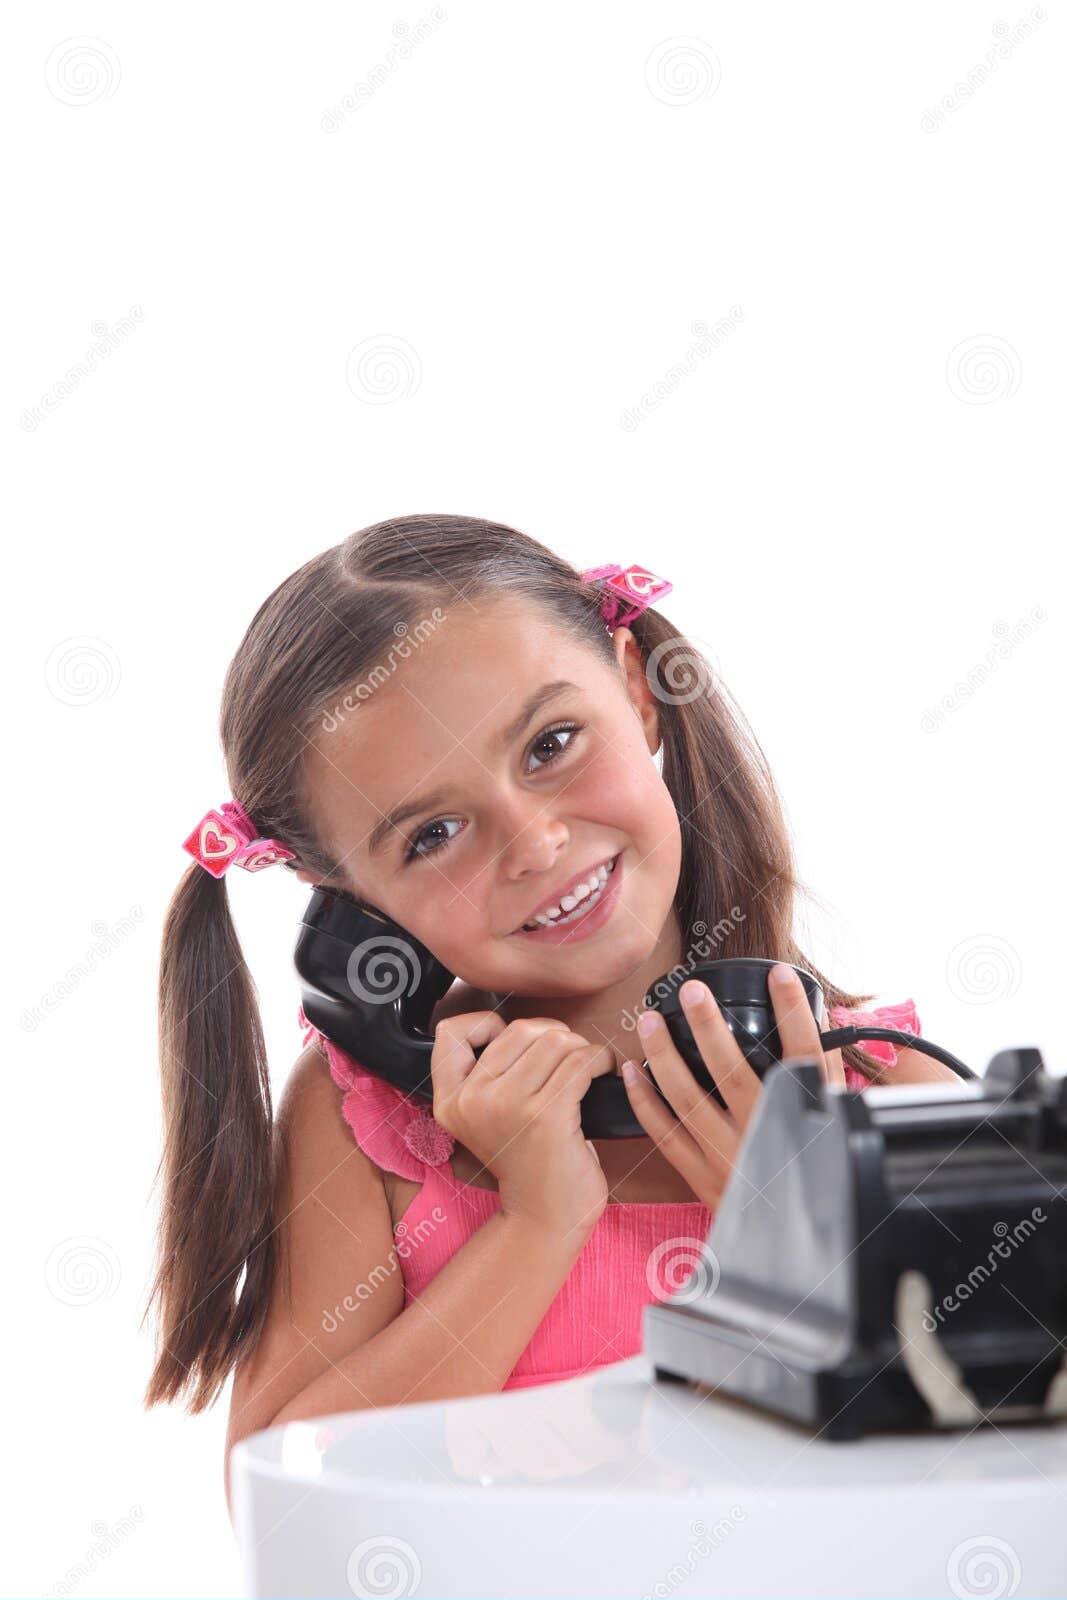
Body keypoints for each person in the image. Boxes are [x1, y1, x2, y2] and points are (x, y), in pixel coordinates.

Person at [141, 514, 959, 1496]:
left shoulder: (884, 1093)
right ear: (347, 899)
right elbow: (284, 1502)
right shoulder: (370, 1132)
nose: (532, 843)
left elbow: (999, 1482)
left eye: (551, 744)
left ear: (637, 694)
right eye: (432, 833)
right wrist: (535, 1221)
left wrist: (817, 1251)